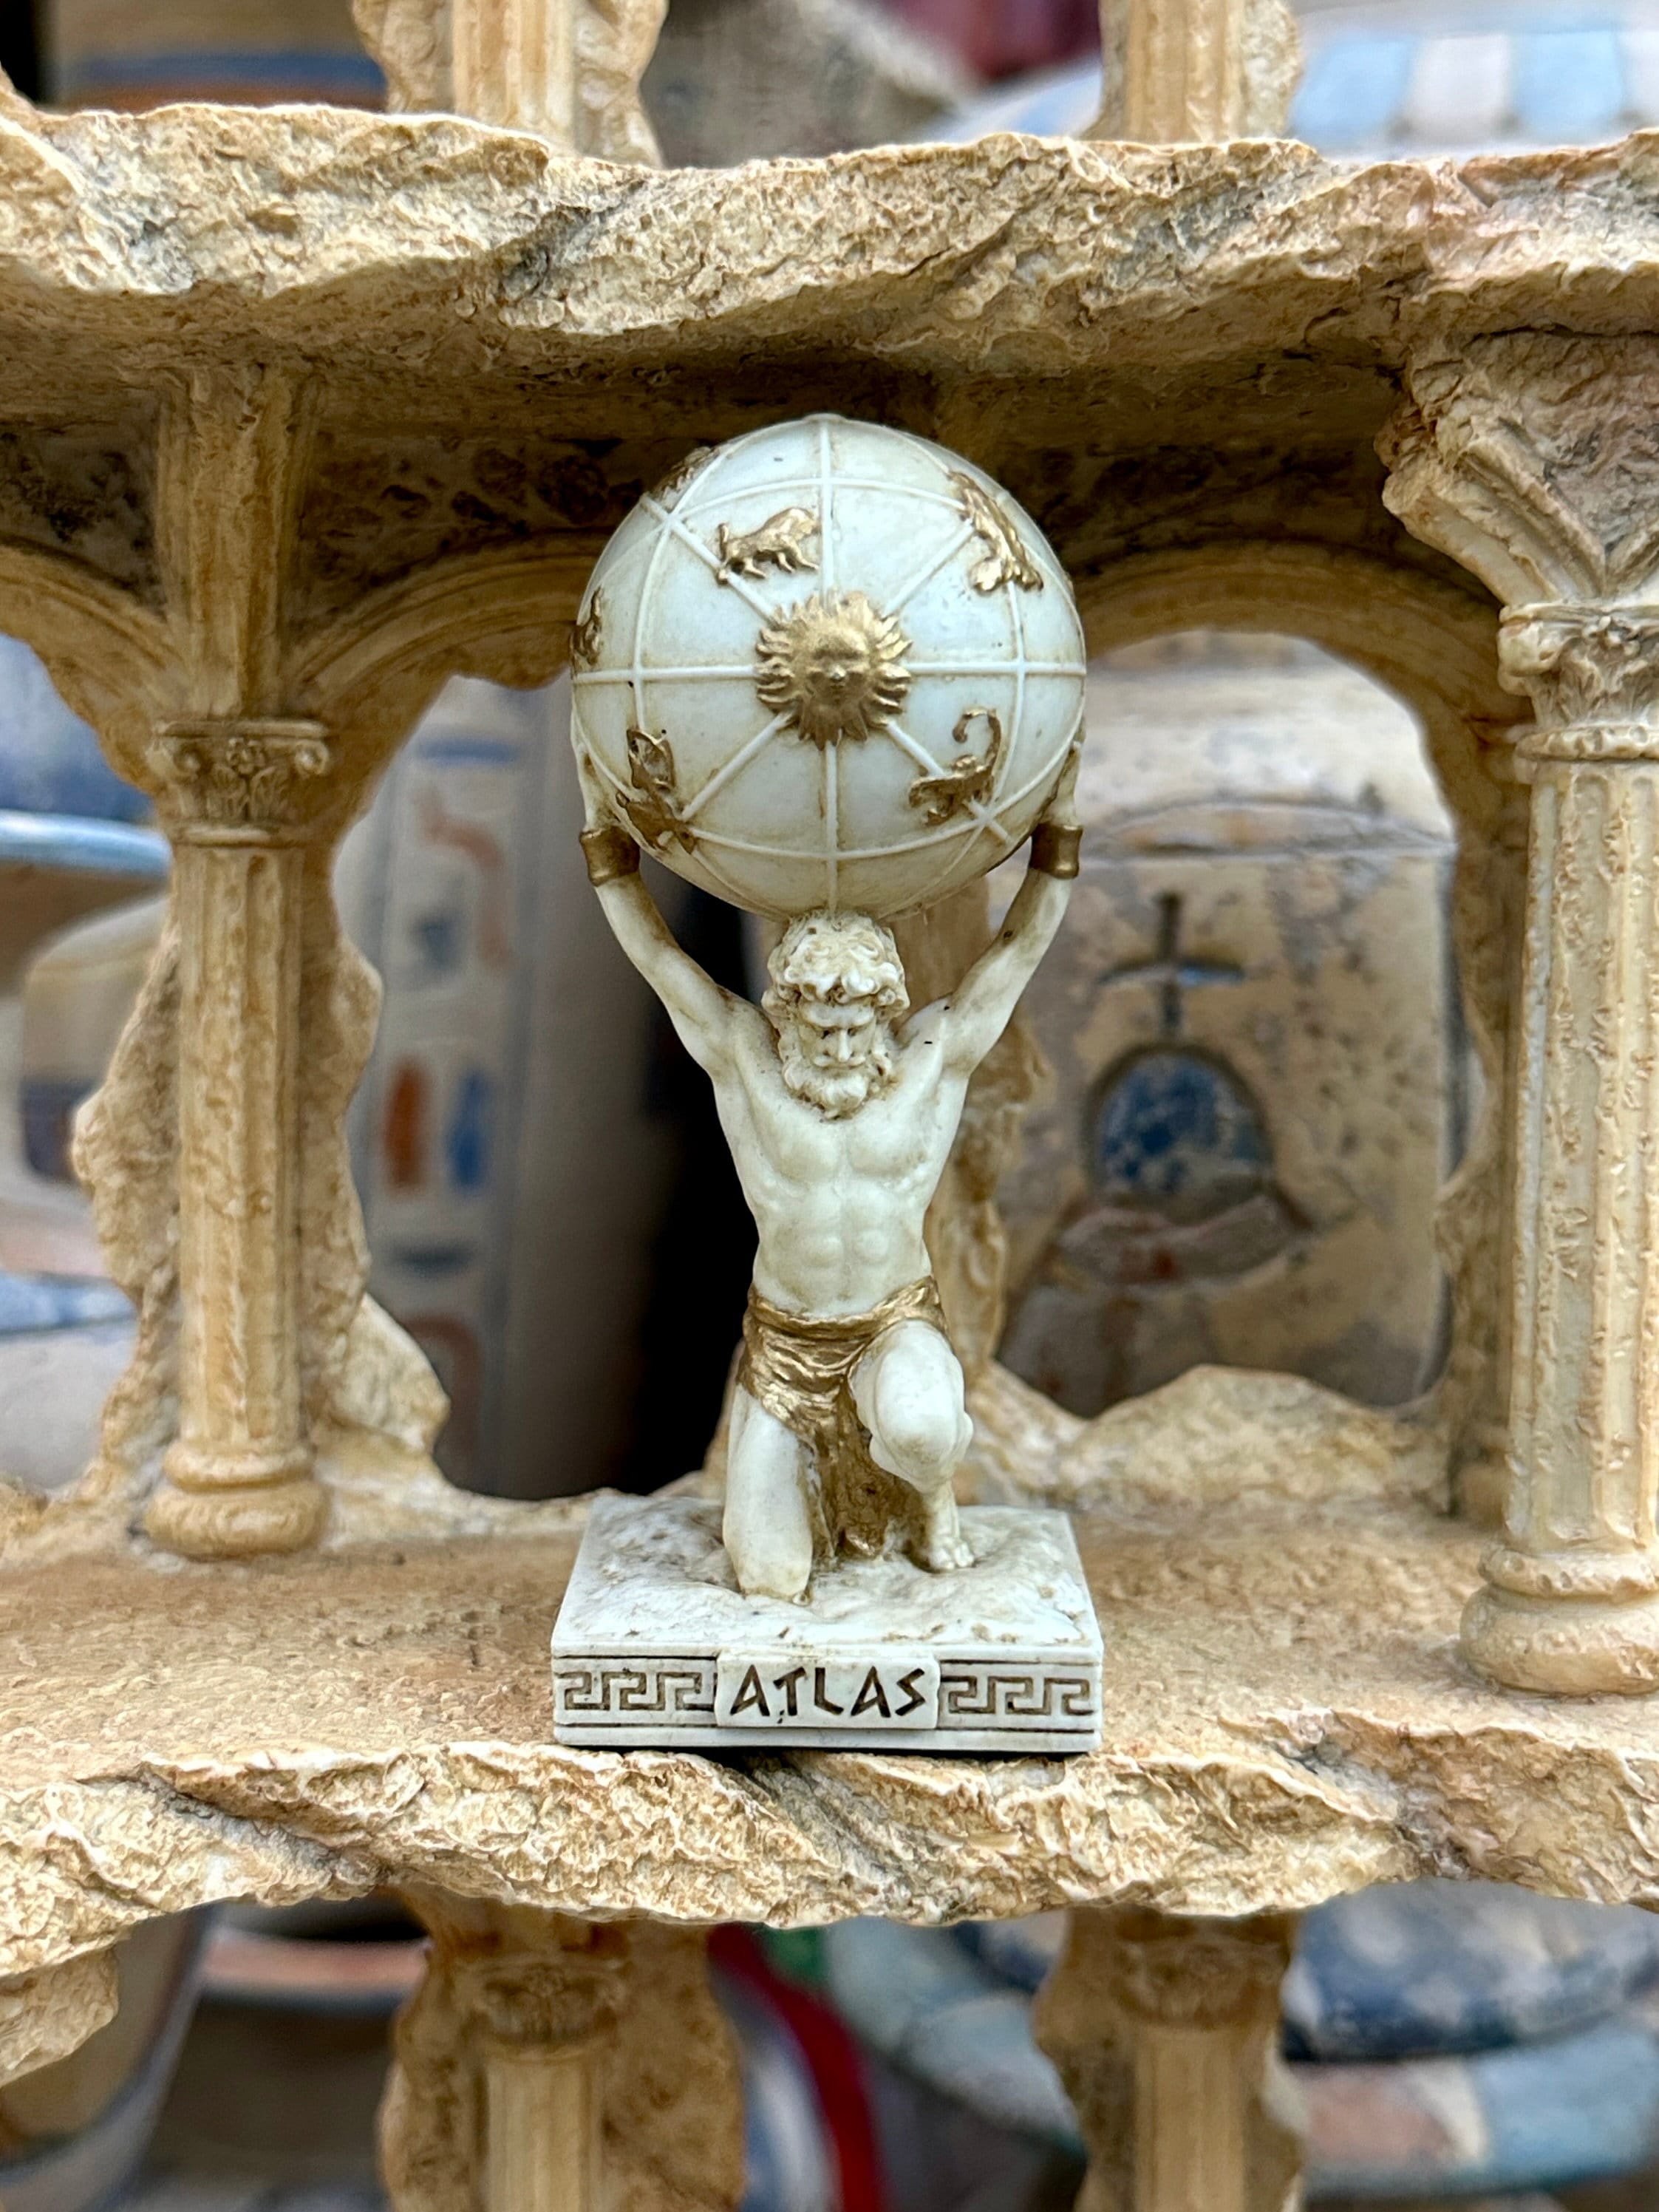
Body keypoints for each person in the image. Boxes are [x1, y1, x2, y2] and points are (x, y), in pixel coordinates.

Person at [578, 745, 1082, 1599]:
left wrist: (1057, 838)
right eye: (820, 1028)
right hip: (787, 1348)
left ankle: (931, 1501)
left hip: (890, 1325)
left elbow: (1016, 953)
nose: (841, 1047)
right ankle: (805, 1491)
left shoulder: (930, 1062)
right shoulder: (747, 1062)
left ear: (886, 1016)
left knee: (921, 1430)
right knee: (770, 1578)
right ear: (787, 1014)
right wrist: (609, 853)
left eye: (856, 1028)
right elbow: (661, 961)